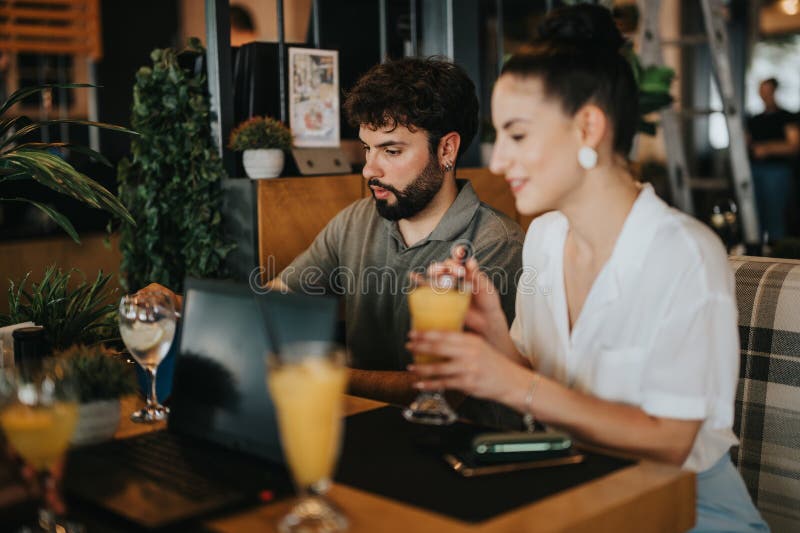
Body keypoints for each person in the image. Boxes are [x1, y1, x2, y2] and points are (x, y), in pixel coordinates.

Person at [407, 5, 768, 531]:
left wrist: (508, 383)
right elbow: (543, 382)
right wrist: (494, 338)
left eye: (517, 135)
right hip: (577, 489)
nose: (498, 161)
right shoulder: (544, 239)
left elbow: (671, 441)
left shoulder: (684, 254)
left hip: (684, 508)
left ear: (588, 127)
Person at [143, 58, 524, 419]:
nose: (370, 170)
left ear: (446, 149)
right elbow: (272, 304)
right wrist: (180, 306)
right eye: (367, 149)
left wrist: (319, 373)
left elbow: (439, 391)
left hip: (462, 446)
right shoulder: (356, 221)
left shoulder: (495, 243)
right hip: (367, 430)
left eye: (391, 151)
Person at [747, 78, 800, 243]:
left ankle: (776, 251)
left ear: (775, 92)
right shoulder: (754, 119)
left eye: (768, 91)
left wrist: (767, 148)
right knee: (754, 215)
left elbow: (793, 146)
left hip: (777, 171)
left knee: (775, 215)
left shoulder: (787, 117)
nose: (765, 95)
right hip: (755, 170)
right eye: (762, 91)